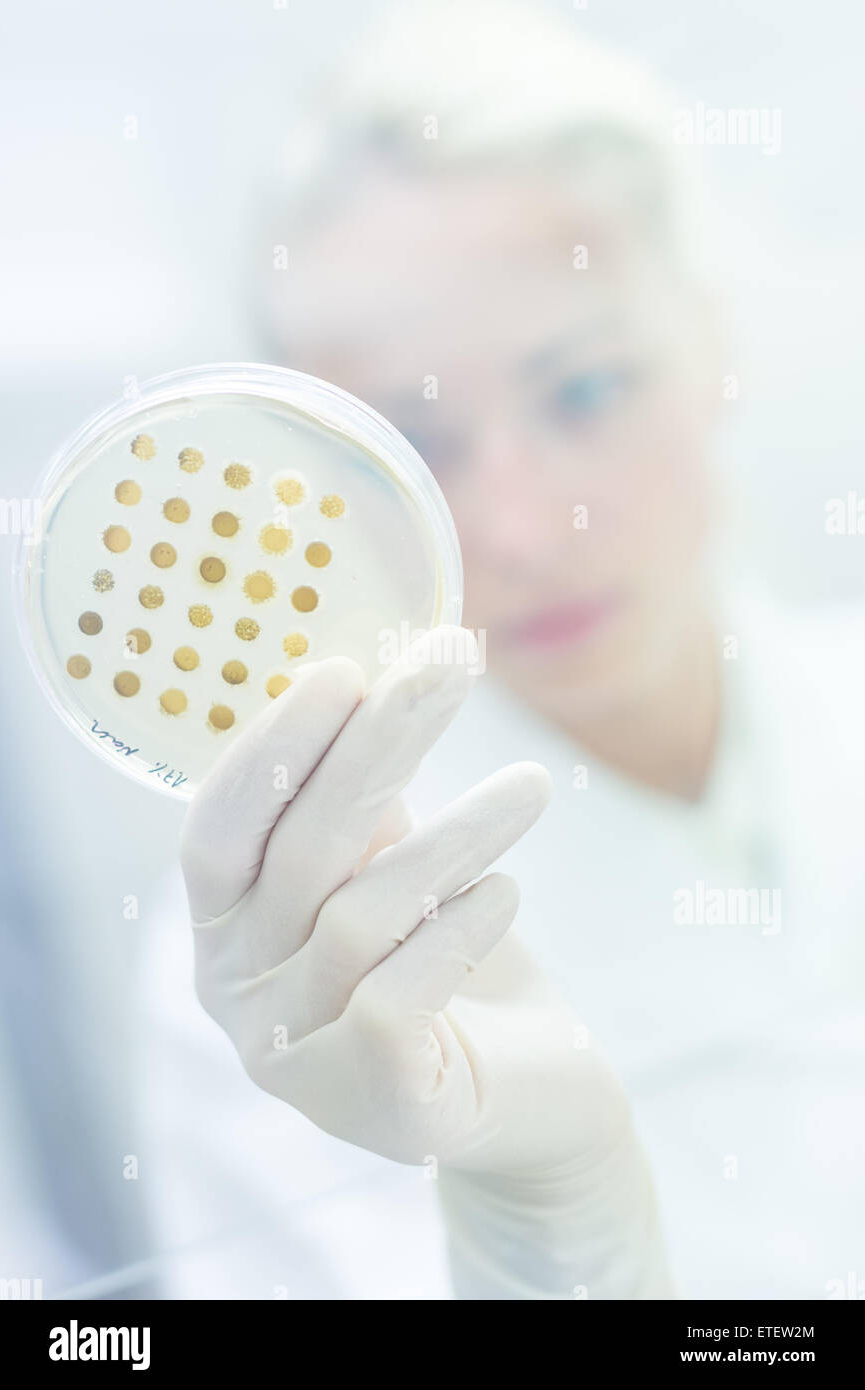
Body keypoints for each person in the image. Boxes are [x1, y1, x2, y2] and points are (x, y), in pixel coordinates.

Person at [174, 1, 865, 1299]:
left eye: (588, 388)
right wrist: (546, 1230)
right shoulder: (277, 956)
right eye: (414, 445)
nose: (520, 528)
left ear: (710, 341)